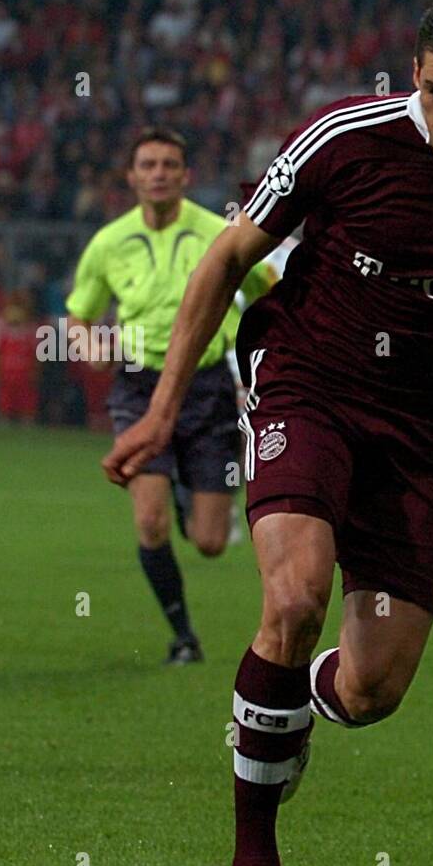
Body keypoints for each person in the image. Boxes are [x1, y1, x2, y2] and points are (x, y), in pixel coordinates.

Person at [102, 0, 433, 866]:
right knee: (294, 598)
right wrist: (162, 409)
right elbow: (229, 258)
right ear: (415, 77)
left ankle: (276, 704)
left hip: (423, 422)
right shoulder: (343, 138)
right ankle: (252, 865)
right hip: (307, 381)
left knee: (372, 691)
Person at [66, 126, 276, 665]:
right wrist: (89, 346)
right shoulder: (109, 242)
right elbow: (79, 314)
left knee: (209, 540)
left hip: (206, 389)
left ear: (185, 176)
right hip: (139, 387)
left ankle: (189, 492)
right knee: (149, 521)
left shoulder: (222, 233)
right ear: (132, 177)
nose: (158, 173)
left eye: (168, 165)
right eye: (148, 165)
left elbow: (268, 291)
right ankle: (183, 636)